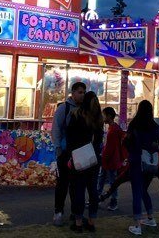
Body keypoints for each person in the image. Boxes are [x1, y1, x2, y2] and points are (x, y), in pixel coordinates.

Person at [65, 91, 104, 232]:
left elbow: (70, 138)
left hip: (78, 158)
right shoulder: (99, 119)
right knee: (93, 190)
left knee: (78, 190)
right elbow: (99, 141)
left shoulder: (76, 115)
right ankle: (92, 222)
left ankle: (78, 223)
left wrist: (70, 156)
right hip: (94, 159)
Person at [52, 81, 86, 226]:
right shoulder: (64, 109)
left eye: (83, 92)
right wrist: (59, 148)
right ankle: (58, 212)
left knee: (76, 185)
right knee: (62, 184)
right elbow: (56, 129)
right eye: (79, 92)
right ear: (72, 92)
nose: (82, 95)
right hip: (65, 152)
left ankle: (75, 212)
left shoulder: (84, 109)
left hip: (79, 152)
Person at [126, 100, 159, 236]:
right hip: (151, 163)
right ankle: (151, 218)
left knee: (137, 191)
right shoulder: (155, 127)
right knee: (143, 190)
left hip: (137, 161)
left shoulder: (134, 125)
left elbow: (128, 142)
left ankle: (137, 224)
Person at [99, 107, 127, 211]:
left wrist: (103, 157)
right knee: (107, 180)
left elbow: (109, 148)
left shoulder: (112, 131)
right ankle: (99, 198)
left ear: (109, 116)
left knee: (110, 181)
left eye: (104, 115)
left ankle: (112, 201)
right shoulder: (115, 128)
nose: (102, 117)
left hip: (110, 160)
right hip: (112, 160)